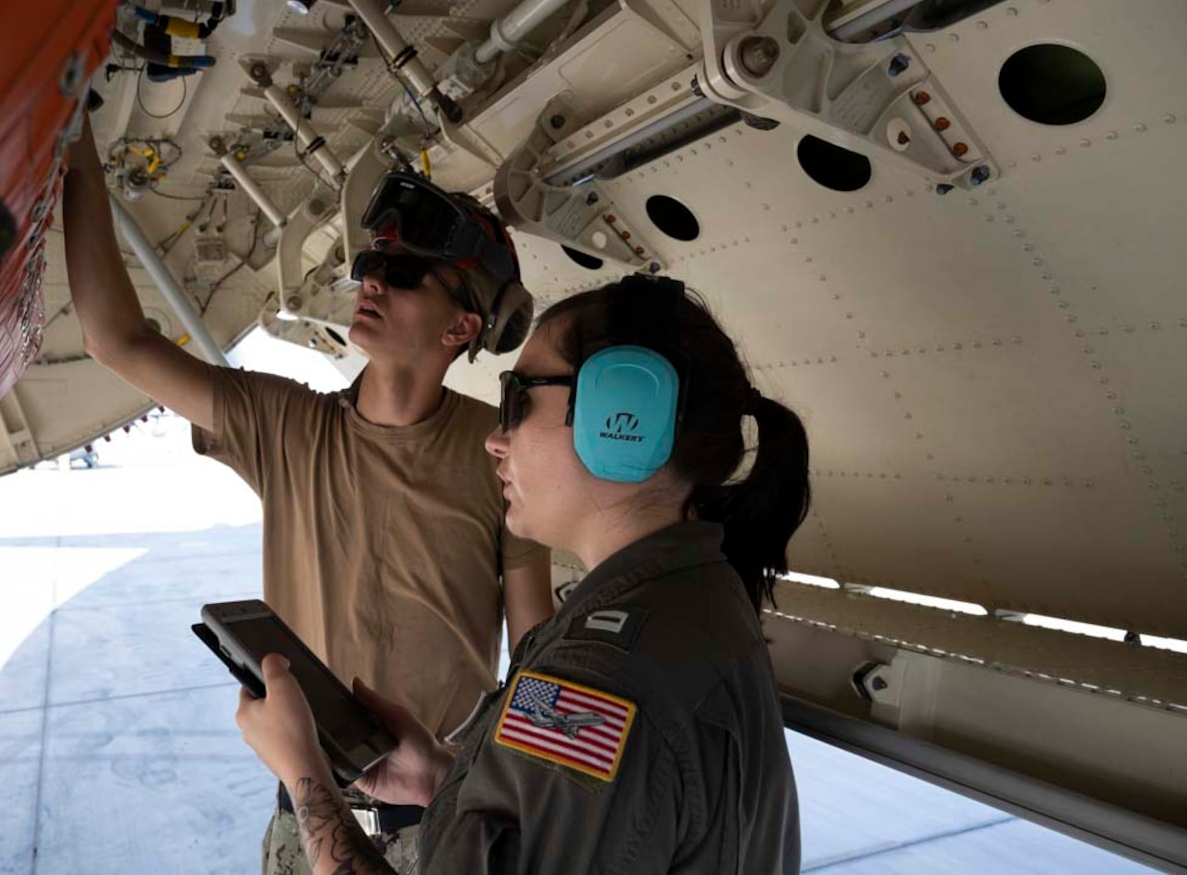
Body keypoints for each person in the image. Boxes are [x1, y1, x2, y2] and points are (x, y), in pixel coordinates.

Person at [61, 135, 554, 872]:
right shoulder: (286, 424)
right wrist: (75, 150)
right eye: (372, 267)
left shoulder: (500, 452)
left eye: (405, 274)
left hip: (446, 814)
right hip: (307, 810)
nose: (373, 282)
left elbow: (538, 659)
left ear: (461, 328)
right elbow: (117, 338)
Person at [237, 273, 810, 874]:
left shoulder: (599, 682)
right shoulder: (693, 598)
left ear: (623, 417)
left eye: (520, 399)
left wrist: (303, 772)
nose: (494, 439)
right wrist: (446, 775)